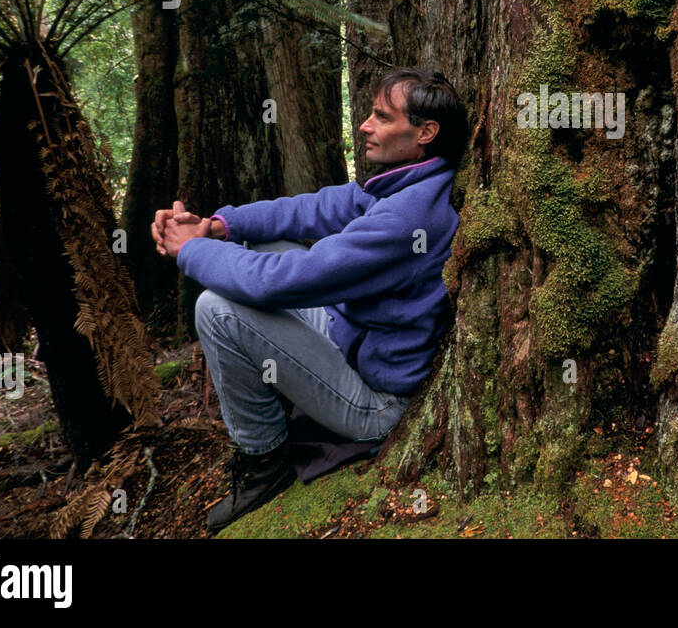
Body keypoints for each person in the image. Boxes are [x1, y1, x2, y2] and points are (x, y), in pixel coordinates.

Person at [152, 68, 467, 533]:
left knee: (216, 310)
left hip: (376, 405)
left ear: (425, 133)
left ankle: (263, 458)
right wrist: (218, 227)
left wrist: (190, 250)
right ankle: (279, 394)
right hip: (351, 342)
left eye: (382, 117)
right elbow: (314, 208)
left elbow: (278, 283)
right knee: (262, 245)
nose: (365, 125)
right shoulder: (410, 181)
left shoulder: (408, 217)